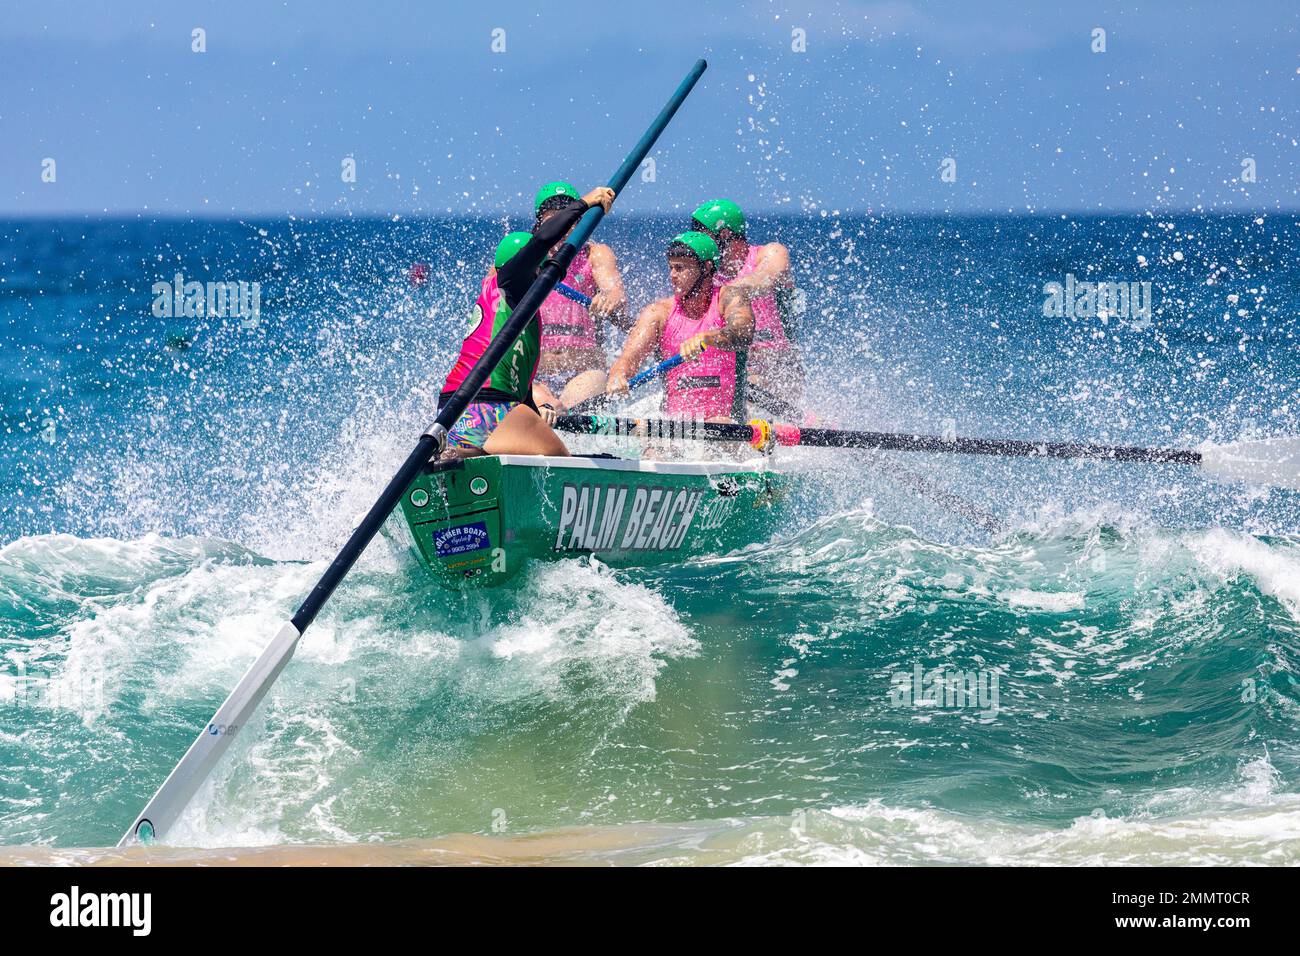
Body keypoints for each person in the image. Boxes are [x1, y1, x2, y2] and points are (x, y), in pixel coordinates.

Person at [438, 186, 617, 457]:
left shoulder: (519, 313)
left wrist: (535, 415)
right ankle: (459, 453)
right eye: (540, 267)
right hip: (487, 403)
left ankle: (461, 455)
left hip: (454, 408)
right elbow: (543, 240)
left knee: (510, 455)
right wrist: (585, 203)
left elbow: (521, 392)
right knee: (558, 459)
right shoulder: (511, 281)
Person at [606, 231, 754, 422]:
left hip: (726, 423)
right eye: (671, 268)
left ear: (706, 267)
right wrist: (618, 375)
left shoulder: (729, 297)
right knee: (653, 451)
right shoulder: (658, 313)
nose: (672, 275)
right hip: (676, 425)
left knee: (719, 426)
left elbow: (744, 332)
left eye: (680, 268)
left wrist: (708, 338)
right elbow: (629, 359)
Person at [689, 198, 805, 415]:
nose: (697, 242)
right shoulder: (709, 272)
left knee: (745, 391)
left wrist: (727, 293)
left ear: (724, 234)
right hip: (733, 361)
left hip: (778, 364)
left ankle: (796, 421)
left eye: (701, 233)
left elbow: (764, 278)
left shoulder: (770, 253)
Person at [528, 181, 630, 416]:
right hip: (535, 373)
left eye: (569, 221)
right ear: (541, 223)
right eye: (554, 221)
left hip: (584, 371)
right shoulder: (526, 255)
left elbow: (616, 294)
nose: (562, 229)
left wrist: (607, 299)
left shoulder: (596, 254)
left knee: (562, 412)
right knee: (549, 409)